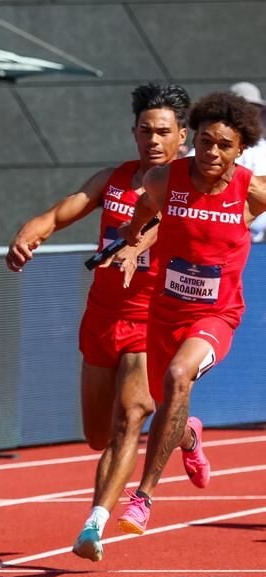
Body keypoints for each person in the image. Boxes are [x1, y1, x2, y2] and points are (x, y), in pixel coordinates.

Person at [6, 83, 190, 562]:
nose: (153, 139)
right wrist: (31, 232)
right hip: (102, 318)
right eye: (145, 130)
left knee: (131, 417)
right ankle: (183, 427)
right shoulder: (114, 179)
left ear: (182, 136)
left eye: (163, 132)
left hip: (151, 320)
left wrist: (142, 244)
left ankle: (95, 523)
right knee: (97, 436)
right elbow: (62, 211)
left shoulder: (190, 192)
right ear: (133, 132)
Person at [117, 91, 266, 535]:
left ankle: (142, 497)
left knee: (178, 377)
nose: (212, 153)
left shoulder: (251, 190)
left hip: (215, 318)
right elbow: (143, 210)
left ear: (240, 150)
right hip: (163, 315)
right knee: (171, 408)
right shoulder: (166, 180)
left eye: (223, 145)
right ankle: (190, 436)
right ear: (193, 139)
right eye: (205, 142)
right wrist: (130, 240)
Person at [229, 82, 266, 241]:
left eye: (254, 109)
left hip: (260, 246)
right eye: (242, 108)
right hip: (218, 242)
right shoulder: (205, 149)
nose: (248, 114)